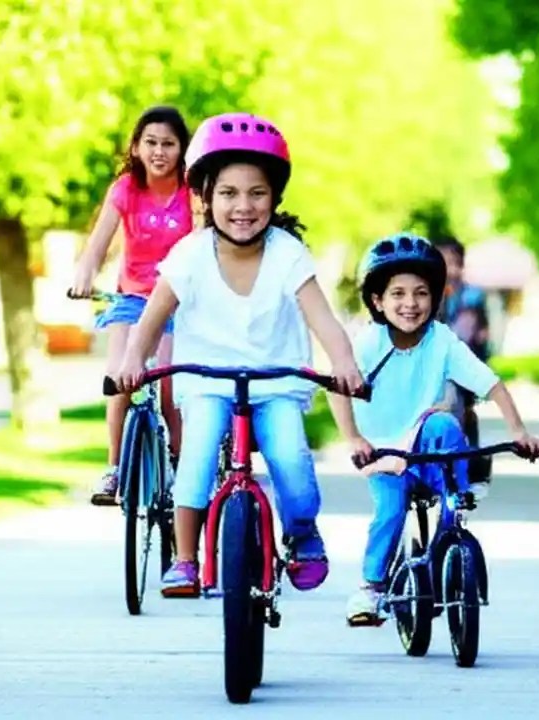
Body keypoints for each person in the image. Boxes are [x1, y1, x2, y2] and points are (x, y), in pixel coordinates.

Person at [111, 112, 365, 597]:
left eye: (257, 193)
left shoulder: (288, 253)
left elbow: (324, 321)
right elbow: (150, 318)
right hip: (206, 380)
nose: (242, 206)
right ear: (205, 196)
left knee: (290, 456)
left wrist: (345, 364)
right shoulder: (189, 253)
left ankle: (302, 532)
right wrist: (132, 361)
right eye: (228, 193)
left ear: (275, 198)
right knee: (199, 451)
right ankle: (186, 558)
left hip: (274, 383)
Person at [325, 232, 539, 625]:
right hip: (385, 455)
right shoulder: (368, 343)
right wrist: (353, 438)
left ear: (437, 297)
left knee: (444, 422)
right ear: (377, 300)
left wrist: (518, 430)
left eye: (421, 293)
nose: (410, 304)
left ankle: (453, 512)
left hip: (427, 449)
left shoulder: (442, 340)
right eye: (398, 294)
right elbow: (337, 389)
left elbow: (489, 382)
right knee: (390, 512)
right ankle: (370, 588)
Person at [71, 106, 193, 505]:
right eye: (151, 143)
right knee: (118, 375)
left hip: (177, 302)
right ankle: (114, 468)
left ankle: (182, 467)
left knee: (169, 381)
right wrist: (85, 272)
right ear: (137, 147)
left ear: (182, 149)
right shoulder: (125, 188)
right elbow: (99, 240)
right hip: (131, 299)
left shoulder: (192, 190)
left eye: (169, 144)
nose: (159, 152)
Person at [433, 235, 494, 484]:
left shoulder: (472, 295)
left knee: (465, 410)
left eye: (453, 261)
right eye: (443, 261)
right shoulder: (427, 293)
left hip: (465, 359)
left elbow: (480, 332)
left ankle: (472, 458)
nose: (449, 268)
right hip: (434, 362)